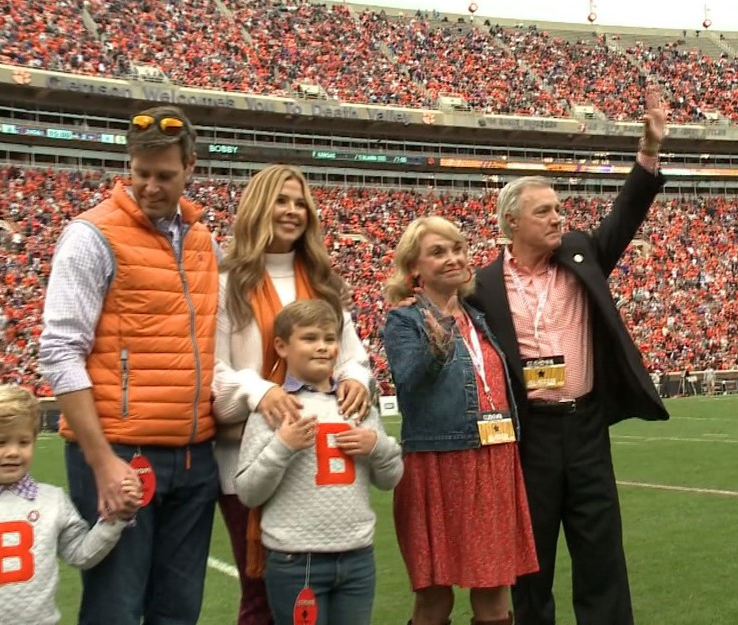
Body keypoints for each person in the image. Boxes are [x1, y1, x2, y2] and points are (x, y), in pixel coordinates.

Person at [467, 89, 669, 625]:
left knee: (601, 554)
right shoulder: (481, 286)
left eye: (559, 208)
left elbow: (625, 217)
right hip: (527, 433)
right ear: (512, 222)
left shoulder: (581, 254)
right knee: (531, 564)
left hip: (585, 427)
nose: (559, 218)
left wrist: (646, 155)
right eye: (545, 211)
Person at [38, 105, 221, 625]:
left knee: (179, 611)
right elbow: (58, 350)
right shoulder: (90, 236)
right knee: (115, 609)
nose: (151, 187)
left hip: (193, 457)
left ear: (190, 168)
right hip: (120, 450)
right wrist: (101, 461)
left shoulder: (205, 240)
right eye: (141, 175)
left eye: (165, 176)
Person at [212, 164, 373, 625]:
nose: (292, 210)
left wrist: (358, 378)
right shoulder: (228, 282)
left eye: (300, 202)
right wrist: (260, 391)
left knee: (317, 594)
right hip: (249, 454)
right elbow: (214, 371)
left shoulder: (323, 282)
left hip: (319, 459)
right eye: (281, 200)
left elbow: (352, 356)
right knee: (261, 596)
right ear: (258, 206)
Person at [383, 216, 537, 625]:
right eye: (438, 252)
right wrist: (435, 349)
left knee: (494, 594)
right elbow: (408, 383)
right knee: (434, 598)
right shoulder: (405, 320)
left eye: (457, 249)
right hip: (439, 462)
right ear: (414, 267)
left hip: (494, 459)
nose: (453, 258)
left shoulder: (478, 316)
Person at [235, 299, 402, 625]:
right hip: (295, 558)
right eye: (310, 338)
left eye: (329, 339)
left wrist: (377, 446)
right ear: (282, 346)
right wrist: (283, 446)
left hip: (357, 554)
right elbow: (248, 493)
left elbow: (391, 478)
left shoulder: (357, 403)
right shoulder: (274, 407)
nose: (323, 347)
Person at [0, 385, 140, 625]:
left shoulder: (52, 500)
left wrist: (117, 517)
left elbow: (80, 554)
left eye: (23, 442)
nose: (13, 452)